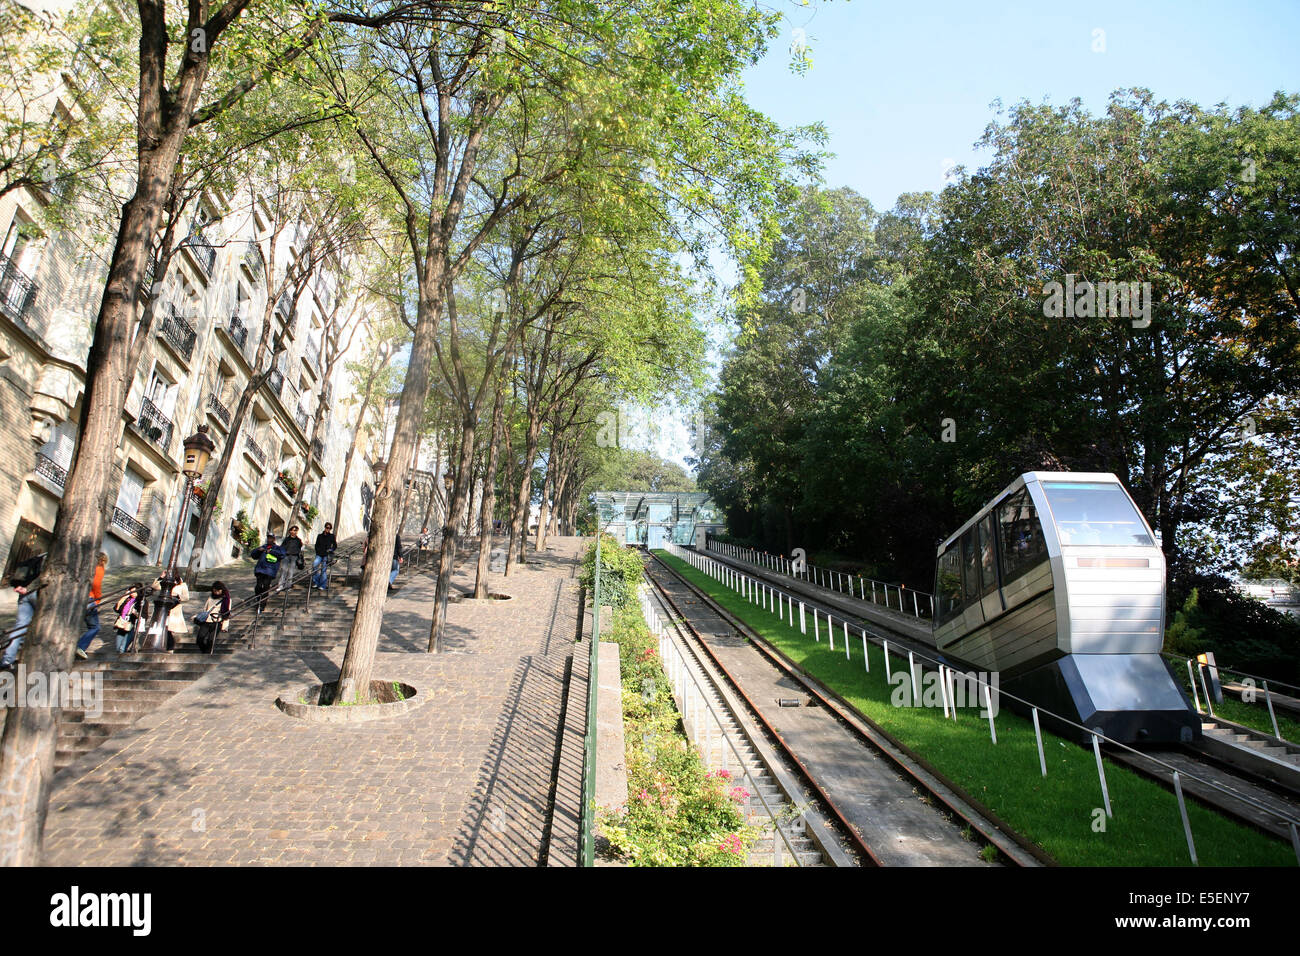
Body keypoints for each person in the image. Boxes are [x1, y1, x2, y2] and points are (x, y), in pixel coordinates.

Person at [1, 549, 44, 672]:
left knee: (20, 627)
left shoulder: (35, 557)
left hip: (23, 595)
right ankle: (37, 658)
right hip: (36, 593)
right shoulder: (51, 558)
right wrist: (29, 588)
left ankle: (7, 660)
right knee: (45, 623)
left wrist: (21, 587)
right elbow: (45, 577)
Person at [75, 551, 108, 660]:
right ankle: (80, 646)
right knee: (95, 626)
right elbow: (96, 585)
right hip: (89, 599)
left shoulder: (84, 566)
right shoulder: (99, 568)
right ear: (103, 561)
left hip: (76, 596)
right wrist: (98, 601)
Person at [152, 574, 190, 651]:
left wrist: (178, 596)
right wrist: (161, 577)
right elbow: (154, 586)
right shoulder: (165, 582)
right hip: (164, 605)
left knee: (169, 629)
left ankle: (169, 648)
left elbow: (186, 597)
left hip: (174, 608)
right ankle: (163, 646)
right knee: (162, 627)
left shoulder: (182, 585)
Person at [250, 532, 286, 612]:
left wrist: (270, 551)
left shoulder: (277, 548)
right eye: (268, 538)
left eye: (271, 538)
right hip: (260, 570)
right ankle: (258, 600)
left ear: (274, 539)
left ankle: (262, 605)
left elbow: (282, 555)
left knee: (266, 586)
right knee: (258, 586)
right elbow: (253, 555)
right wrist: (258, 550)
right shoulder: (263, 546)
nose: (269, 540)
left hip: (270, 571)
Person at [194, 581, 231, 654]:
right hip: (206, 621)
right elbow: (205, 609)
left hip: (217, 621)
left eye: (218, 590)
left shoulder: (226, 599)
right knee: (199, 639)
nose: (216, 592)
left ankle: (207, 654)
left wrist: (225, 626)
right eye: (214, 590)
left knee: (210, 640)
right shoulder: (210, 597)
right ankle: (205, 652)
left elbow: (227, 613)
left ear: (221, 590)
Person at [112, 582, 149, 654]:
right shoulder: (127, 600)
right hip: (122, 625)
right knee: (118, 648)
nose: (131, 593)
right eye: (130, 591)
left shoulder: (142, 601)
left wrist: (136, 613)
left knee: (122, 648)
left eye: (133, 592)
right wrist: (124, 597)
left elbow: (144, 616)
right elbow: (116, 609)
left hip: (132, 626)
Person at [276, 525, 304, 592]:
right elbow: (282, 547)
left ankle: (288, 586)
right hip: (286, 556)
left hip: (294, 556)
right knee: (283, 571)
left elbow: (300, 548)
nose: (294, 532)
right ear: (290, 531)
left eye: (296, 530)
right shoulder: (286, 539)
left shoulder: (298, 540)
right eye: (293, 530)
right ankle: (280, 586)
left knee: (291, 572)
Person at [312, 523, 337, 590]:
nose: (327, 529)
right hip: (319, 554)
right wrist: (317, 551)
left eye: (329, 528)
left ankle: (322, 585)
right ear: (325, 527)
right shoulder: (320, 536)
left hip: (326, 555)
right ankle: (316, 582)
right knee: (314, 566)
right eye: (327, 527)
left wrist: (331, 550)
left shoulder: (331, 536)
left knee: (323, 570)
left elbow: (335, 545)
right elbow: (316, 544)